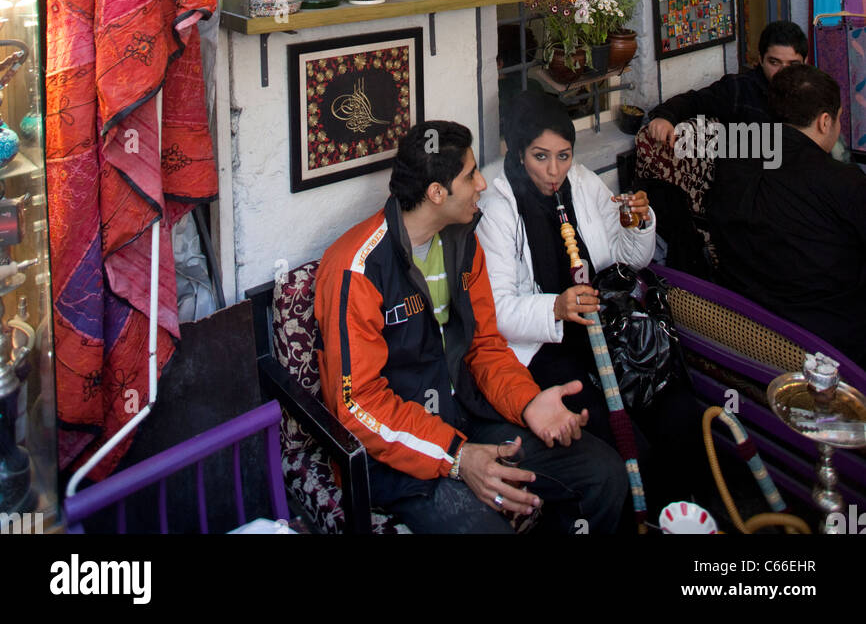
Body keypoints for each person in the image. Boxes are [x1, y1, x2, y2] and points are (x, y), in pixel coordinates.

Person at [314, 119, 628, 535]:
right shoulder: (356, 269)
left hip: (466, 414)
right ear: (436, 192)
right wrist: (457, 456)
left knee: (603, 474)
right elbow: (359, 406)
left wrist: (528, 402)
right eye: (470, 175)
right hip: (400, 452)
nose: (482, 183)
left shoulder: (462, 241)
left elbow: (484, 347)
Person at [478, 90, 706, 513]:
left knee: (677, 411)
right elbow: (498, 311)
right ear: (517, 150)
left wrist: (638, 224)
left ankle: (686, 513)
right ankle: (647, 515)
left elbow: (629, 260)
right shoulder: (498, 209)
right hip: (548, 350)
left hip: (608, 329)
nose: (554, 171)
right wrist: (556, 308)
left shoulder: (581, 182)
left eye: (563, 156)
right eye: (540, 157)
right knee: (625, 439)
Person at [707, 64, 866, 366]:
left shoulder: (733, 157)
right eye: (839, 120)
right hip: (825, 347)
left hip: (743, 327)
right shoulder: (844, 181)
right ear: (824, 121)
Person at [646, 20, 808, 149]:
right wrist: (665, 117)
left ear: (805, 63)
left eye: (793, 65)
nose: (783, 72)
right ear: (760, 59)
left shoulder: (812, 92)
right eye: (774, 62)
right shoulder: (739, 89)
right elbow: (694, 101)